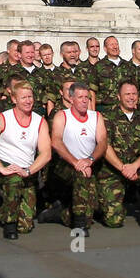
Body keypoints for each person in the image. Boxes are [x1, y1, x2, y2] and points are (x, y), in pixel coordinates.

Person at [0, 80, 52, 239]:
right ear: (14, 99)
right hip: (7, 167)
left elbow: (46, 153)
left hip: (27, 170)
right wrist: (1, 168)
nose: (28, 101)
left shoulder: (39, 121)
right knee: (14, 181)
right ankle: (9, 224)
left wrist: (28, 171)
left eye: (30, 97)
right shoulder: (2, 118)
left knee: (26, 225)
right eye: (24, 97)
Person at [44, 82, 107, 233]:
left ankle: (62, 213)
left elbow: (102, 142)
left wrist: (89, 160)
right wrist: (76, 163)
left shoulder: (96, 117)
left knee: (100, 210)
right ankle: (79, 224)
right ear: (71, 99)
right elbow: (56, 141)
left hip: (90, 164)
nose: (85, 101)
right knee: (81, 177)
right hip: (66, 165)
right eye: (80, 97)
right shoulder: (62, 116)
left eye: (87, 97)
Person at [98, 80, 140, 229]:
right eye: (127, 94)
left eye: (134, 94)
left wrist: (135, 166)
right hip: (113, 171)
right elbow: (105, 147)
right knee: (114, 221)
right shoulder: (107, 117)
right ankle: (103, 205)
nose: (131, 97)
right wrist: (123, 168)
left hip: (135, 168)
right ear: (119, 96)